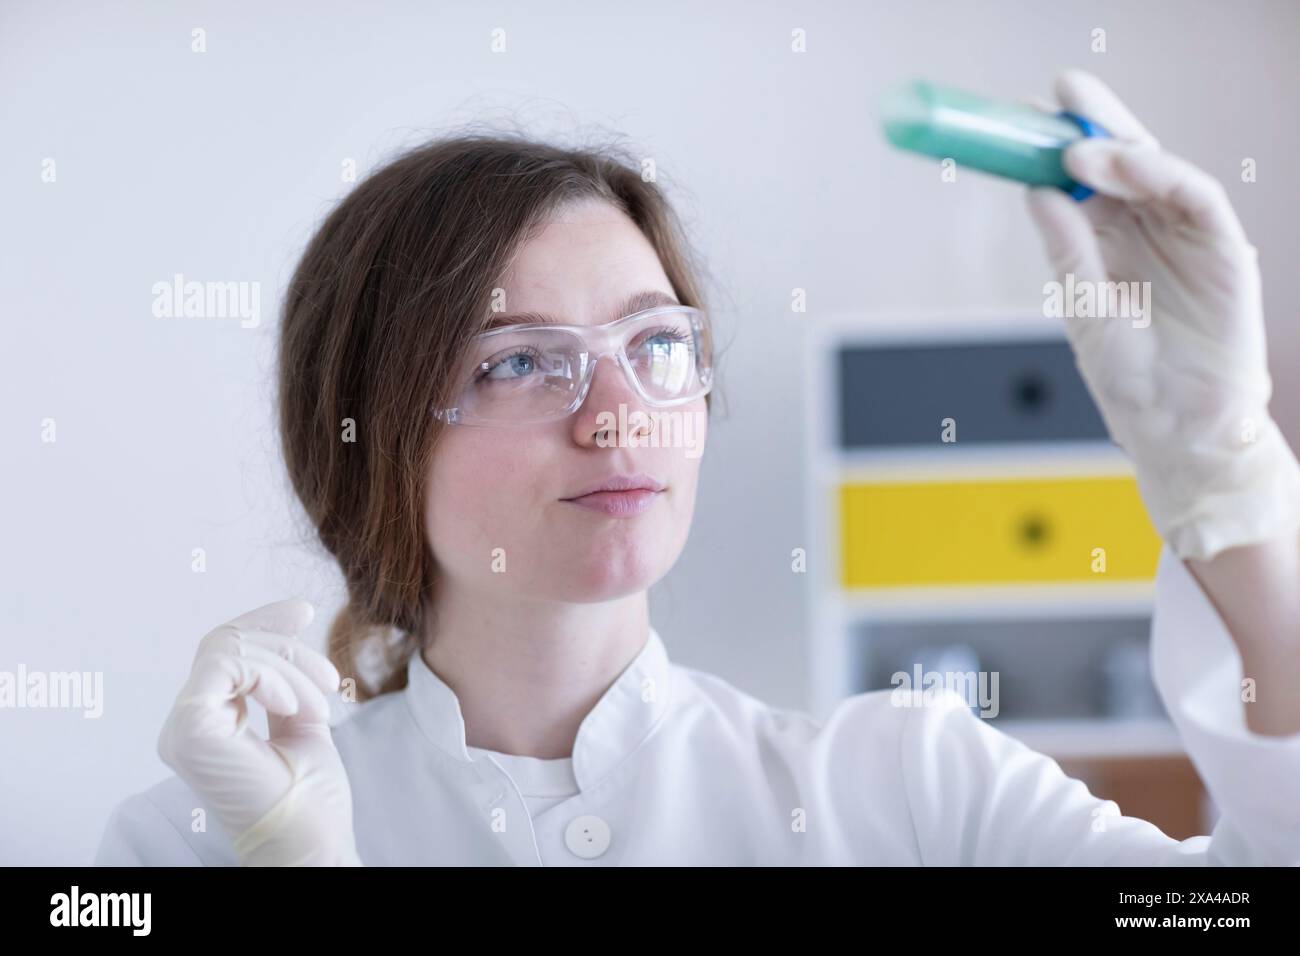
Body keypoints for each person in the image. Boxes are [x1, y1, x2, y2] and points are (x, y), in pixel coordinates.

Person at [95, 71, 1300, 866]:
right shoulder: (204, 836)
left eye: (655, 344)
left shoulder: (910, 790)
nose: (618, 415)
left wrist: (1228, 475)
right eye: (521, 362)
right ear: (360, 432)